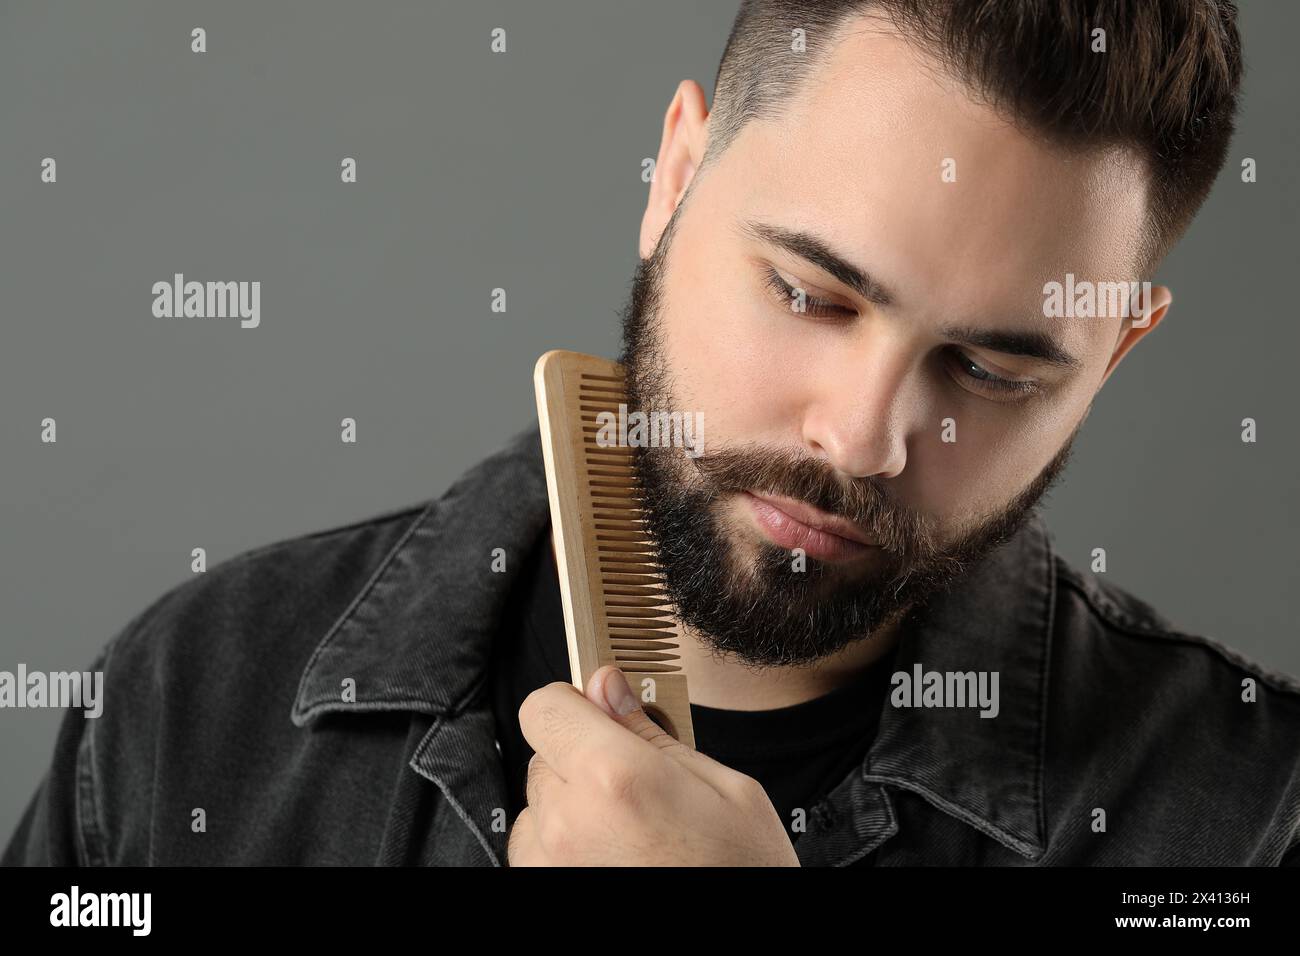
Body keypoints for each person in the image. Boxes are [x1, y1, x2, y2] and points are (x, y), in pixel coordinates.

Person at [6, 0, 1298, 867]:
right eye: (809, 294)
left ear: (1117, 351)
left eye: (994, 367)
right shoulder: (191, 714)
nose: (859, 440)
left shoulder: (1251, 821)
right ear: (674, 177)